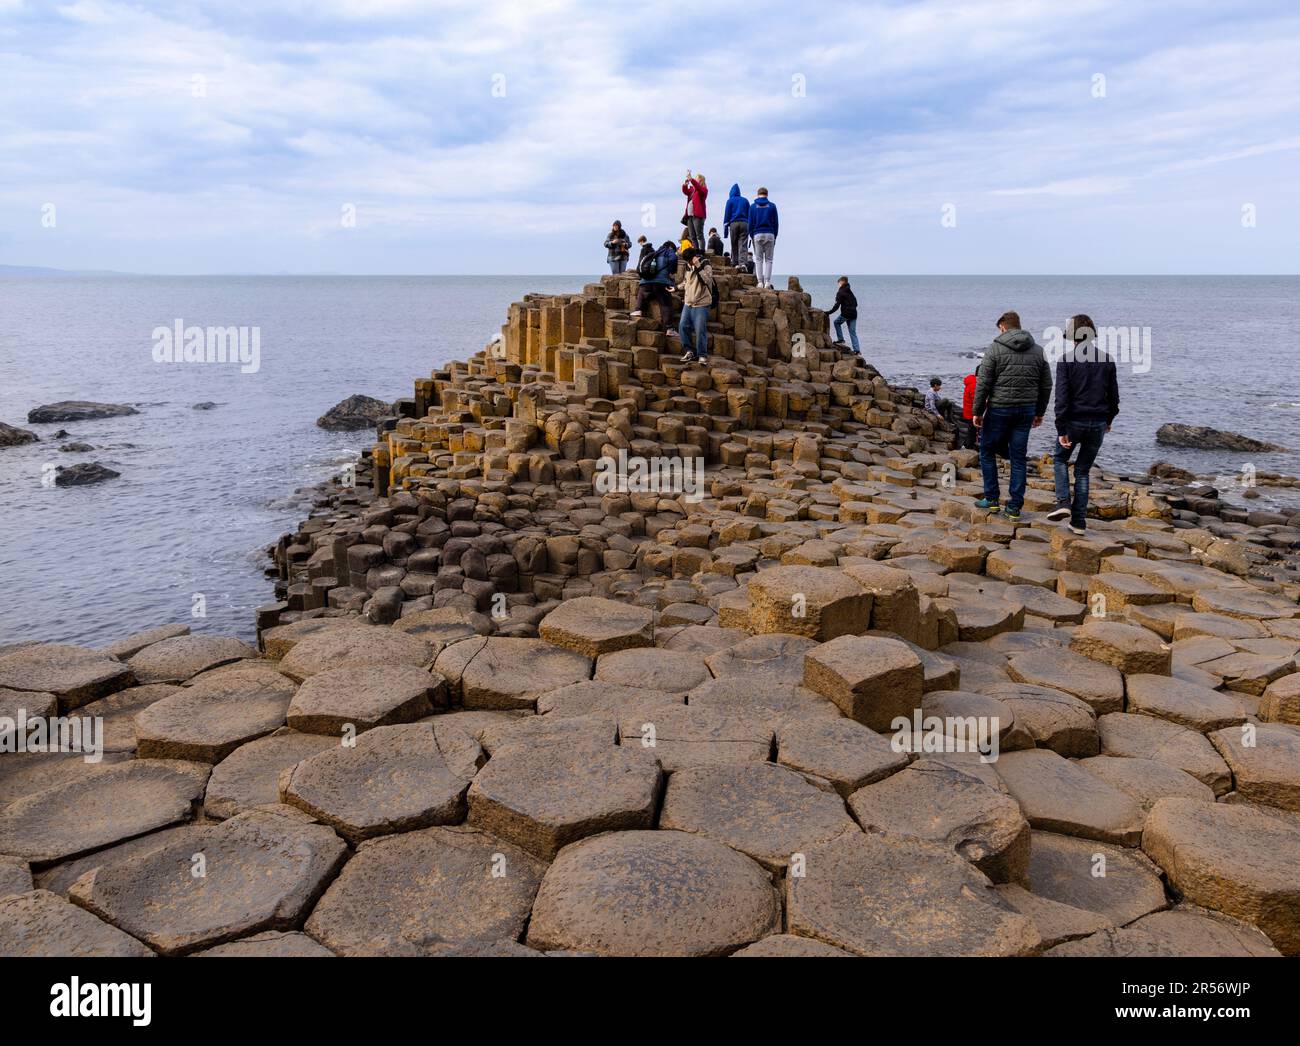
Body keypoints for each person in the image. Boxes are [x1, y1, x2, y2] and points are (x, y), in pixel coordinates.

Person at [972, 310, 1052, 522]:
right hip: (1025, 410)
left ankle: (992, 499)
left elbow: (983, 384)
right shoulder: (1039, 351)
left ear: (1002, 327)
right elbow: (1046, 385)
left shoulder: (995, 349)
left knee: (987, 451)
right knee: (1018, 457)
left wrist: (977, 412)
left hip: (999, 409)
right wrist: (1039, 412)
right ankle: (1014, 507)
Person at [1048, 314, 1120, 534]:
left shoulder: (1066, 360)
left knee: (1060, 459)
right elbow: (1114, 398)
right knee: (1082, 471)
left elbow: (1061, 399)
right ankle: (1078, 522)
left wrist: (1061, 429)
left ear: (1072, 336)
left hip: (1073, 422)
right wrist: (1108, 420)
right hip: (1098, 423)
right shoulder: (1107, 360)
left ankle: (1063, 503)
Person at [677, 247, 714, 364]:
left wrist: (698, 266)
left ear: (694, 257)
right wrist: (676, 288)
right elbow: (686, 282)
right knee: (683, 326)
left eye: (689, 260)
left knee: (700, 329)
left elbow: (708, 280)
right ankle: (689, 351)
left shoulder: (705, 264)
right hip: (688, 302)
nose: (688, 263)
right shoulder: (688, 265)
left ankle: (702, 355)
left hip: (702, 303)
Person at [631, 239, 678, 331]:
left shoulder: (655, 252)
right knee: (666, 303)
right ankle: (670, 328)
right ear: (671, 247)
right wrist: (672, 270)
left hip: (645, 283)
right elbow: (673, 258)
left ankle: (638, 309)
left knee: (642, 293)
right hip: (661, 283)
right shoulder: (669, 250)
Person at [749, 187, 778, 289]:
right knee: (769, 260)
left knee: (759, 259)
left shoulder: (752, 207)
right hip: (770, 233)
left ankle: (760, 282)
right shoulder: (772, 206)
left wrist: (752, 235)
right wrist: (775, 236)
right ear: (767, 194)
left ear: (758, 194)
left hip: (757, 234)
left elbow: (750, 223)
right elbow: (776, 223)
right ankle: (767, 282)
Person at [826, 276, 860, 354]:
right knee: (852, 332)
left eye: (838, 283)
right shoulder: (850, 291)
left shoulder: (840, 292)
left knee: (836, 322)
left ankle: (841, 339)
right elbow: (856, 303)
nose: (838, 285)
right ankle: (857, 350)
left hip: (846, 313)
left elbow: (837, 305)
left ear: (841, 282)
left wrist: (829, 312)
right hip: (854, 314)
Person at [681, 171, 708, 257]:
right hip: (689, 216)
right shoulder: (692, 190)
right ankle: (696, 252)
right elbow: (685, 191)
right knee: (692, 236)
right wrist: (685, 184)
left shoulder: (703, 190)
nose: (695, 179)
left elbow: (698, 187)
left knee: (699, 234)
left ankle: (702, 252)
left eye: (697, 178)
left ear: (701, 180)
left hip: (698, 215)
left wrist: (691, 179)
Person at [723, 184, 750, 267]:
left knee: (734, 243)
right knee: (743, 244)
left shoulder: (730, 201)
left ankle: (735, 263)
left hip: (733, 223)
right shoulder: (745, 200)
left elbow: (727, 215)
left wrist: (725, 232)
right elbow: (750, 215)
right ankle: (743, 263)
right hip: (745, 223)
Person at [954, 371, 979, 449]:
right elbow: (976, 401)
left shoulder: (971, 382)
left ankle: (967, 444)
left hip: (968, 411)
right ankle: (969, 446)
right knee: (972, 430)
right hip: (973, 412)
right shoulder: (974, 385)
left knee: (971, 429)